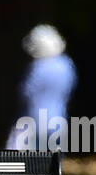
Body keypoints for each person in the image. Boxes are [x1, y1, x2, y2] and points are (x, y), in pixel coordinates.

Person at [7, 24, 77, 152]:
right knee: (52, 160)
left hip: (33, 121)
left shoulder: (39, 66)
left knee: (23, 160)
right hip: (58, 121)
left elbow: (26, 92)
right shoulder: (66, 64)